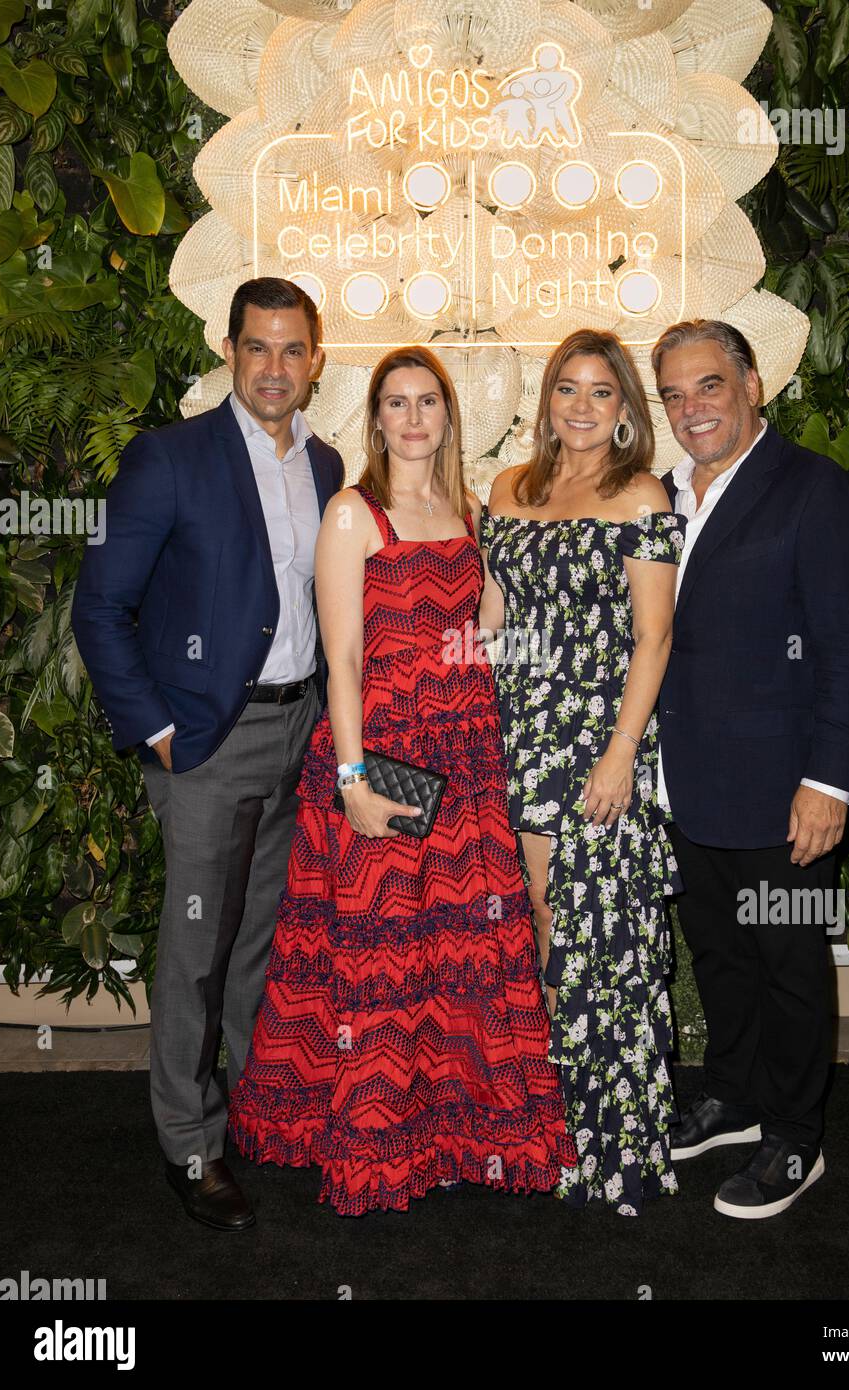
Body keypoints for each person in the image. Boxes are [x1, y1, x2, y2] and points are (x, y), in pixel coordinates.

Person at [227, 345, 576, 1214]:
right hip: (381, 755)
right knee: (380, 957)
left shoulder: (465, 509)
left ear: (447, 417)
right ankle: (377, 1139)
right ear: (375, 418)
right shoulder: (356, 513)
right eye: (396, 402)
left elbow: (479, 631)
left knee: (459, 956)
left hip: (463, 754)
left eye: (427, 402)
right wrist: (350, 780)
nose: (413, 417)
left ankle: (454, 1132)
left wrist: (504, 596)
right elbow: (341, 660)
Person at [71, 277, 345, 1231]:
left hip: (298, 735)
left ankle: (259, 1120)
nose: (275, 368)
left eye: (292, 350)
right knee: (195, 949)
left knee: (259, 946)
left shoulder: (327, 467)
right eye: (257, 348)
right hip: (204, 744)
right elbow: (99, 604)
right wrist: (155, 731)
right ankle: (191, 1148)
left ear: (315, 361)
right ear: (229, 352)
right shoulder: (169, 460)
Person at [651, 318, 849, 1218]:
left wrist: (828, 782)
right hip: (687, 781)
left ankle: (795, 1137)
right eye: (672, 394)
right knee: (717, 953)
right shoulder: (661, 495)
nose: (690, 408)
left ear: (753, 385)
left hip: (786, 790)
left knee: (787, 963)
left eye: (707, 386)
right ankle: (736, 1095)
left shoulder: (813, 490)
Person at [480, 329, 686, 1216]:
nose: (582, 406)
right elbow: (489, 620)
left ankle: (616, 1137)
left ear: (626, 411)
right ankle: (546, 1124)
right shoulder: (508, 490)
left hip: (597, 741)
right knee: (535, 918)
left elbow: (655, 637)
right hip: (516, 729)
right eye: (568, 388)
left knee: (601, 927)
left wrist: (619, 754)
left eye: (602, 393)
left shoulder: (639, 495)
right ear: (546, 402)